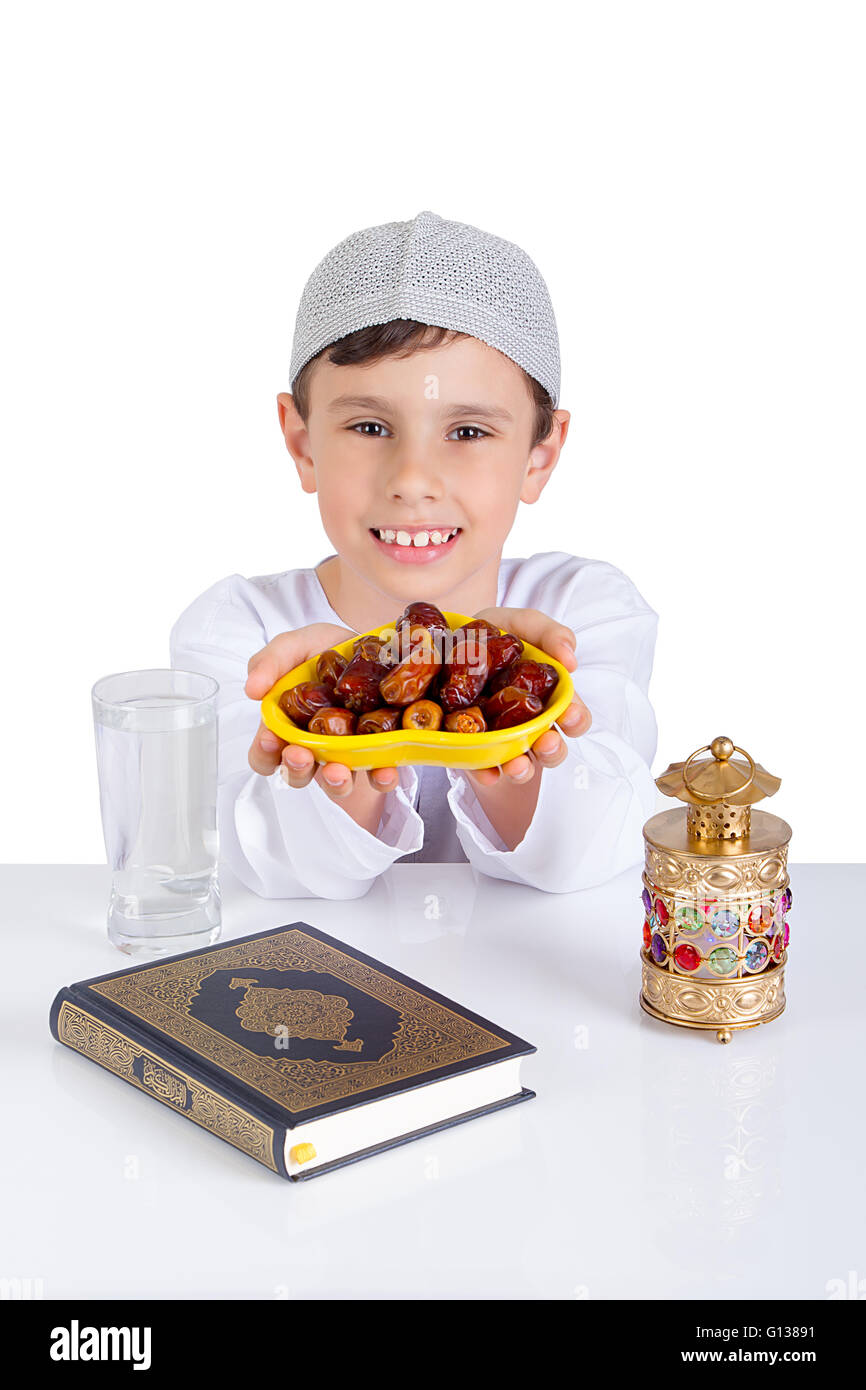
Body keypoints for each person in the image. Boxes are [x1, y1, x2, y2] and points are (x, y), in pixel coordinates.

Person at [170, 209, 659, 899]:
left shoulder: (585, 614)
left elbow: (597, 842)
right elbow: (252, 858)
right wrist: (336, 727)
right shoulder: (241, 632)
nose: (412, 480)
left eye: (466, 430)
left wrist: (509, 712)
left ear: (539, 457)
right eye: (370, 426)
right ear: (303, 443)